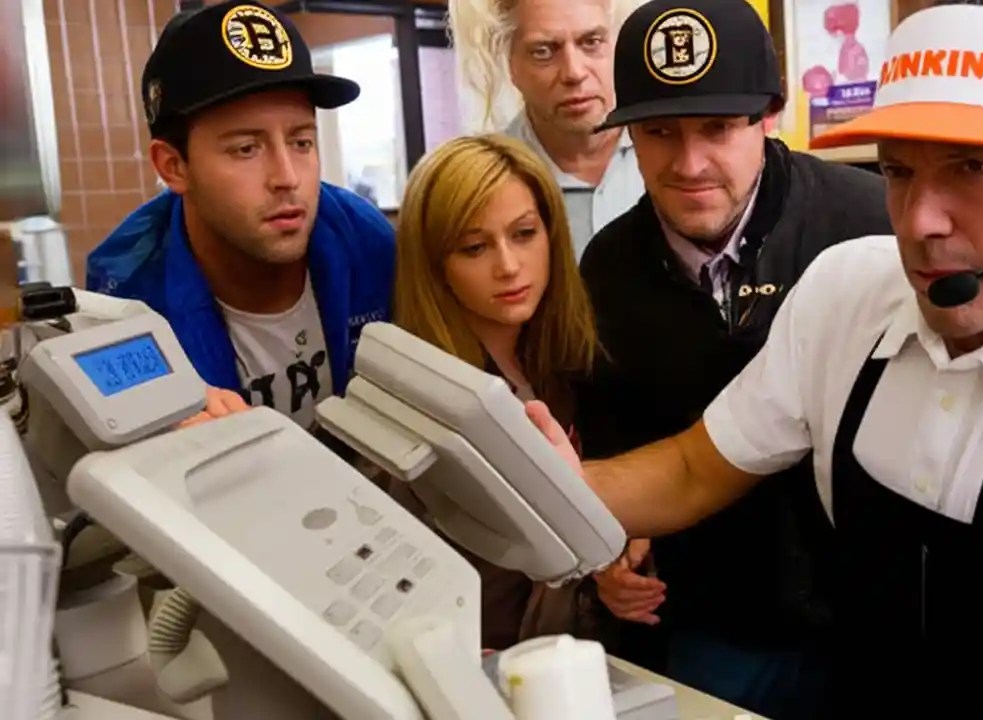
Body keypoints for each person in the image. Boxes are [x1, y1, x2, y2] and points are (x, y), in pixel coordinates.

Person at [530, 1, 983, 718]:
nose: (918, 223)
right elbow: (696, 468)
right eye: (898, 171)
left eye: (974, 167)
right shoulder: (848, 293)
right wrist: (545, 488)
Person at [572, 0, 891, 716]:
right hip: (714, 627)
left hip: (875, 623)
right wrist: (611, 552)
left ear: (769, 115)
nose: (689, 164)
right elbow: (617, 449)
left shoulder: (870, 227)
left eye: (717, 129)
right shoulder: (609, 268)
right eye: (659, 133)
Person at [85, 1, 395, 431]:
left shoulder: (369, 245)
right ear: (173, 166)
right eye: (246, 148)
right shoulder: (127, 300)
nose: (287, 178)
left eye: (301, 142)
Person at [392, 133, 602, 651]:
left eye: (524, 233)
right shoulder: (420, 403)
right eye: (474, 247)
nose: (508, 266)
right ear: (435, 265)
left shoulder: (571, 361)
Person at [449, 0, 647, 259]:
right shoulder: (482, 183)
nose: (574, 72)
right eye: (543, 51)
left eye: (591, 42)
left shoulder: (675, 154)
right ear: (512, 66)